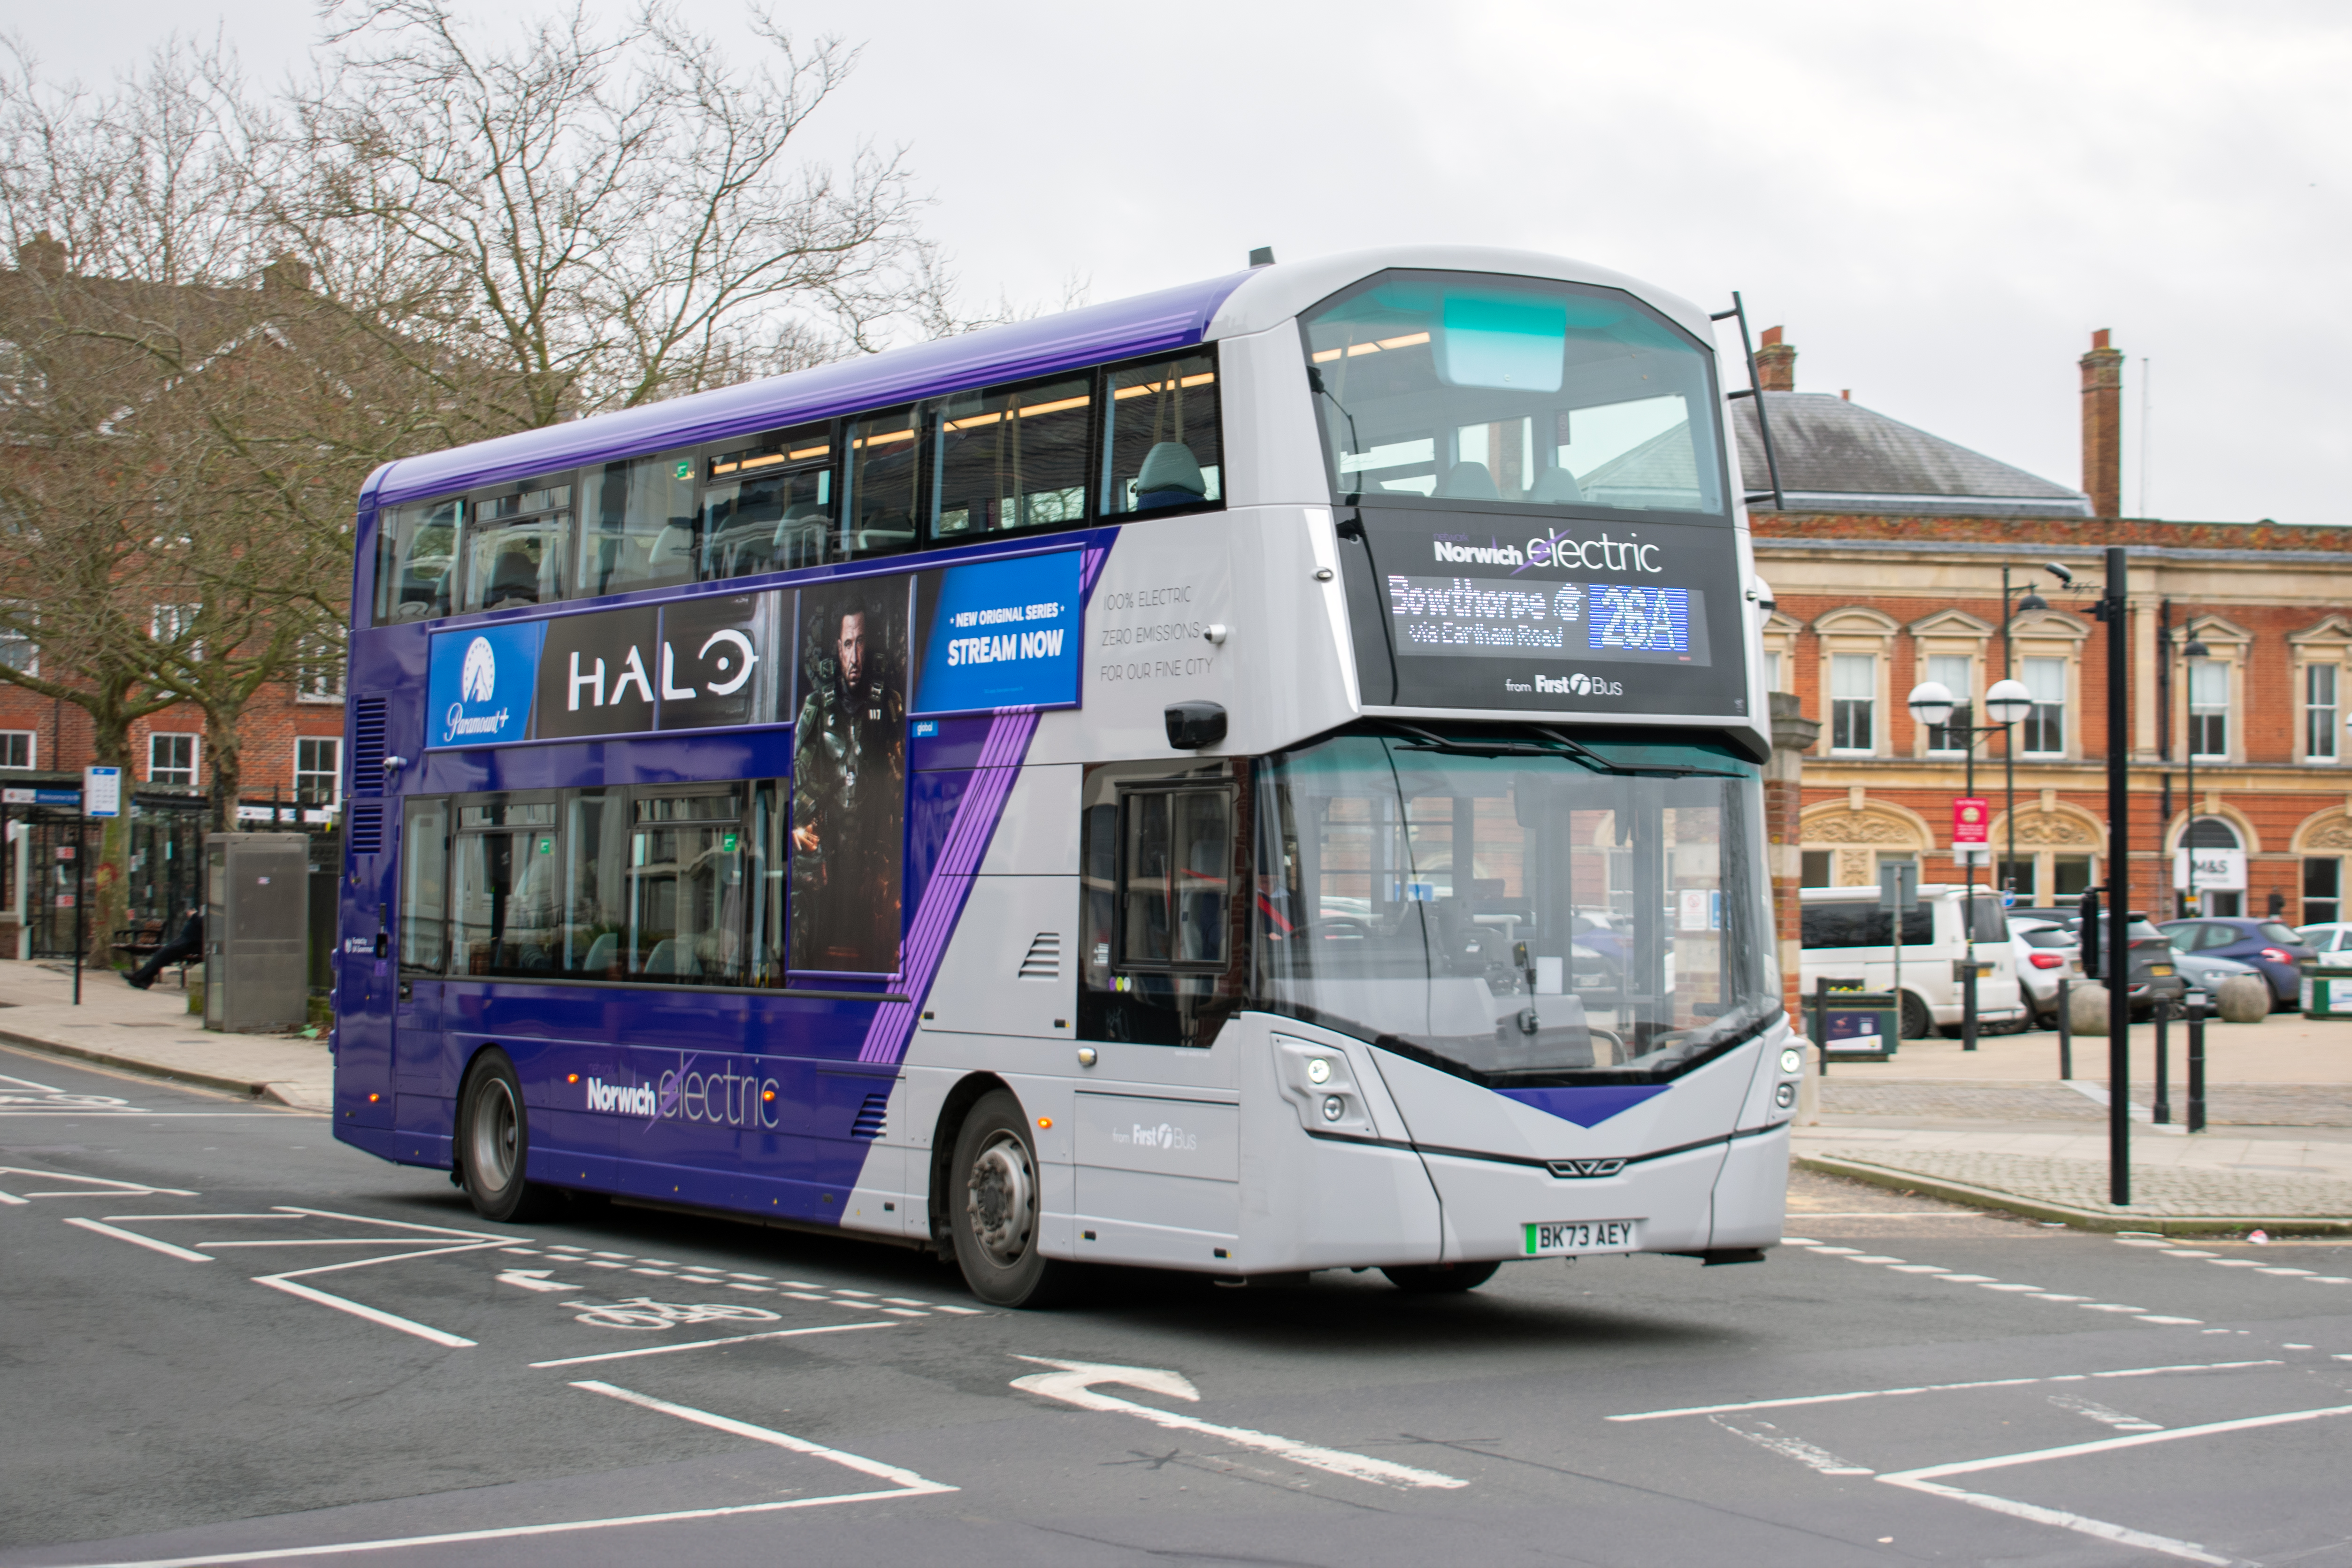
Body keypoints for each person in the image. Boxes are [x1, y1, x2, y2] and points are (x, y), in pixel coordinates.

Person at [789, 605, 905, 971]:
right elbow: (798, 774)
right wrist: (801, 826)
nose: (855, 657)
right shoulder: (815, 706)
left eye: (861, 644)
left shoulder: (889, 704)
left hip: (876, 849)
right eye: (848, 644)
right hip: (828, 850)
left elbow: (905, 777)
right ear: (838, 648)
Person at [126, 906, 202, 990]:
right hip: (187, 940)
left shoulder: (213, 913)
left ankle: (140, 977)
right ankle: (143, 979)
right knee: (162, 954)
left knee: (164, 954)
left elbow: (203, 923)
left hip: (192, 943)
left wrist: (194, 915)